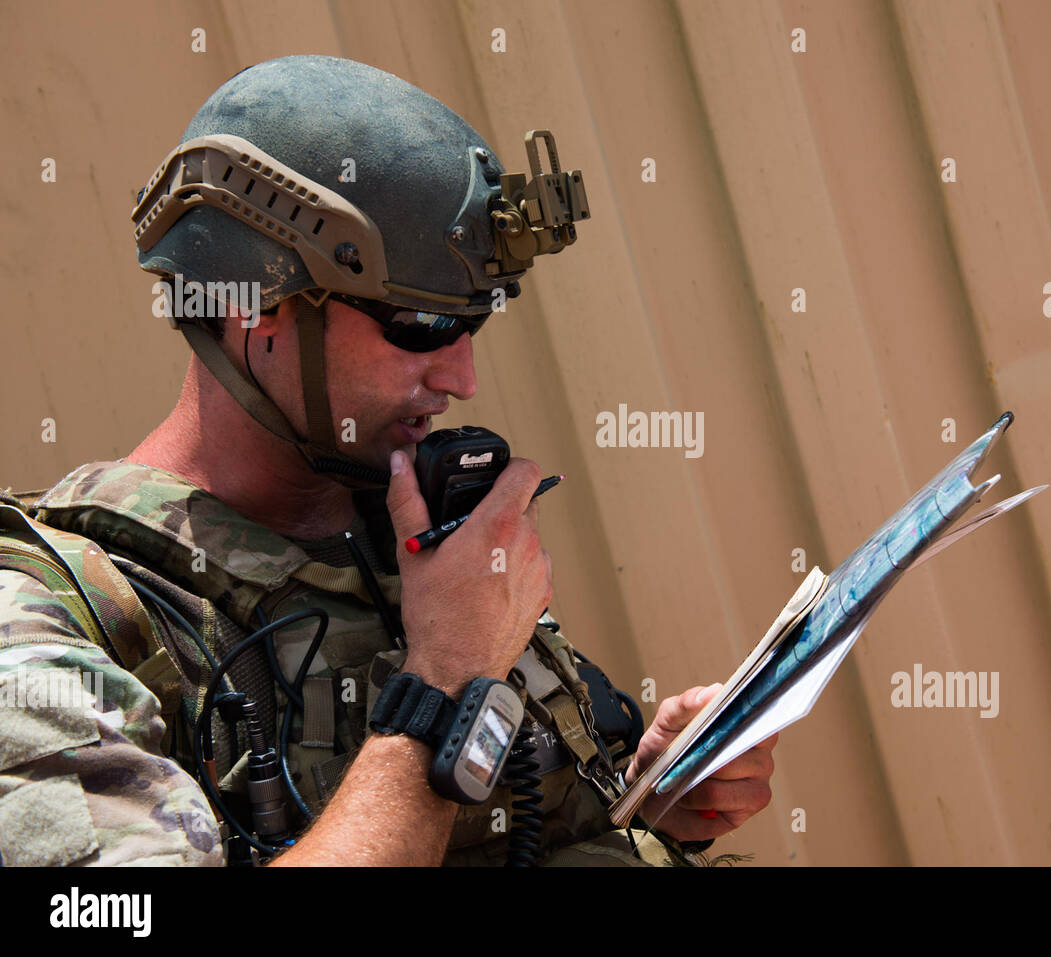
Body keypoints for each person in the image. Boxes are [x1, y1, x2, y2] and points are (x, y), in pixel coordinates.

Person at [0, 55, 777, 867]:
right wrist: (444, 682)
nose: (461, 377)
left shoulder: (412, 532)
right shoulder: (46, 623)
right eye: (419, 324)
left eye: (473, 324)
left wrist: (646, 797)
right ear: (250, 302)